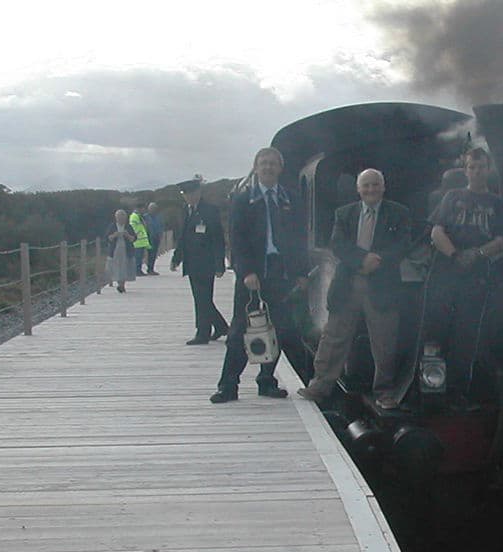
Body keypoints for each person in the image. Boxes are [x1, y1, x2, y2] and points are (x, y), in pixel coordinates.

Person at [298, 169, 412, 410]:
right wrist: (362, 260)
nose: (371, 190)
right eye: (366, 186)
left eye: (375, 185)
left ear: (383, 187)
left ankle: (384, 392)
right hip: (349, 282)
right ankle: (320, 385)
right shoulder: (344, 213)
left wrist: (378, 260)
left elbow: (403, 245)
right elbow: (338, 244)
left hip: (382, 284)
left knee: (384, 342)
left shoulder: (399, 213)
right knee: (333, 337)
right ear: (358, 189)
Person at [209, 147, 312, 403]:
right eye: (263, 163)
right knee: (240, 330)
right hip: (253, 272)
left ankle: (266, 381)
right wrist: (246, 271)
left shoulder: (291, 199)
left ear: (280, 168)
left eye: (272, 163)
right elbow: (237, 239)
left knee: (279, 329)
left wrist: (301, 273)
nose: (268, 167)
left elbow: (300, 238)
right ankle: (228, 385)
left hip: (281, 271)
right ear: (256, 168)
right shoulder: (244, 200)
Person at [426, 148, 503, 398]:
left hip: (477, 272)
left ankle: (459, 388)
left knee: (468, 332)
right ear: (465, 170)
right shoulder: (452, 196)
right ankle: (430, 383)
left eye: (481, 167)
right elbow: (436, 231)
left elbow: (501, 240)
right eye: (472, 167)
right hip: (445, 269)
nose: (476, 171)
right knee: (436, 326)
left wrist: (477, 254)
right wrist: (455, 255)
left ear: (488, 169)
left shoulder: (497, 202)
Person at [171, 181, 229, 345]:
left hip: (206, 262)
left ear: (198, 193)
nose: (188, 197)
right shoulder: (186, 210)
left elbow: (218, 238)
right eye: (185, 194)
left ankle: (203, 333)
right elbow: (183, 237)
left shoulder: (209, 210)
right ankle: (221, 327)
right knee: (201, 298)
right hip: (191, 262)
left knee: (203, 298)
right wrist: (176, 258)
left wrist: (219, 264)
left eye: (190, 193)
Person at [105, 209, 137, 293]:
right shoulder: (112, 226)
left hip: (126, 250)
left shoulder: (128, 227)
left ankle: (122, 285)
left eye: (123, 218)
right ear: (116, 218)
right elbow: (107, 238)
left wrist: (127, 235)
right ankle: (120, 284)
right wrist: (114, 235)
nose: (121, 220)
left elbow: (134, 238)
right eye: (119, 218)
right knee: (116, 267)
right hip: (115, 250)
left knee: (125, 266)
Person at [129, 203, 152, 276]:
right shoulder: (134, 216)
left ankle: (139, 270)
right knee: (138, 257)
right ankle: (137, 271)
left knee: (140, 257)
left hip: (141, 240)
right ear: (139, 209)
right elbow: (133, 227)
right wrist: (137, 234)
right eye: (143, 209)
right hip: (137, 240)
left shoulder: (139, 216)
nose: (144, 211)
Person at [143, 202, 164, 275]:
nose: (153, 210)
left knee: (154, 254)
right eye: (151, 208)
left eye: (154, 208)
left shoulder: (158, 217)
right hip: (148, 237)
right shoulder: (145, 217)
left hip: (156, 237)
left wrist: (161, 234)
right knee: (149, 253)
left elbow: (161, 226)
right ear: (148, 209)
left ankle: (151, 269)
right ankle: (147, 268)